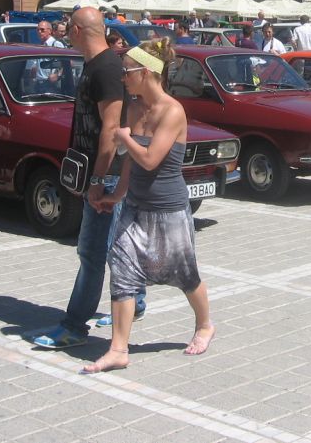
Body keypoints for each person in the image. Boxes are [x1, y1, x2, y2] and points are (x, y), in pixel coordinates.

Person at [82, 39, 214, 372]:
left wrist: (123, 138)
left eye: (127, 71)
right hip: (136, 206)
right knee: (122, 268)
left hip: (168, 208)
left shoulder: (172, 111)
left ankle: (204, 325)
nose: (123, 78)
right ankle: (118, 349)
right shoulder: (135, 107)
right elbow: (131, 164)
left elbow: (151, 159)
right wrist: (117, 195)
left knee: (183, 273)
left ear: (146, 72)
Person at [34, 7, 146, 350]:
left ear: (81, 30)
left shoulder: (107, 68)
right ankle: (135, 302)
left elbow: (111, 129)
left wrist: (98, 181)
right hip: (99, 174)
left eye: (68, 26)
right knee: (114, 247)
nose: (65, 31)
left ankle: (74, 326)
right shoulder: (95, 65)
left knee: (92, 252)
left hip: (107, 176)